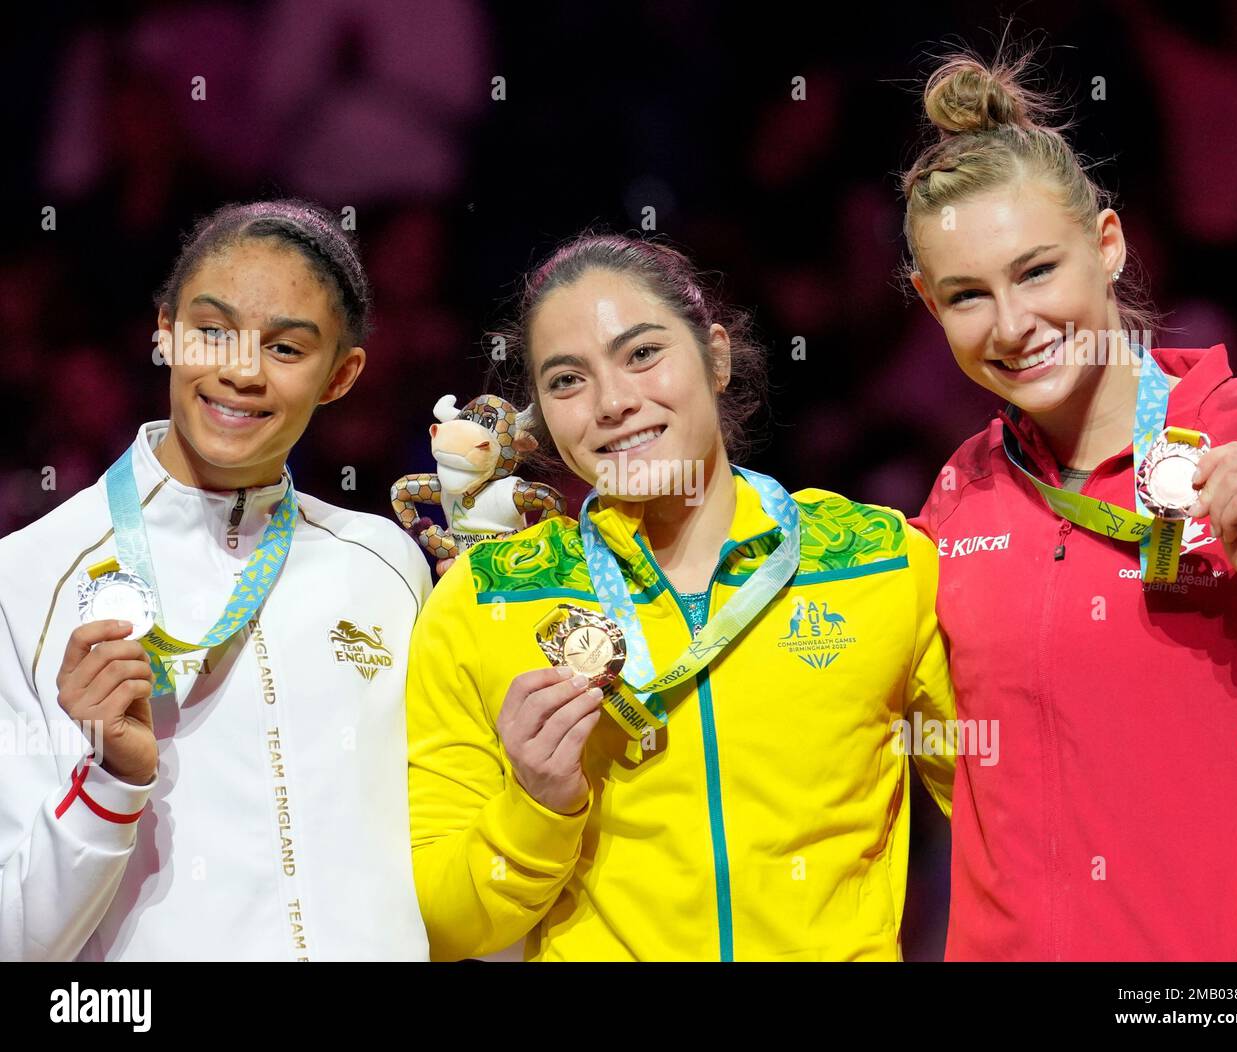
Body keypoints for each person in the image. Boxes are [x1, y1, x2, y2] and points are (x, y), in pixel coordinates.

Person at [405, 234, 956, 961]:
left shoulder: (879, 563)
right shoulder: (487, 599)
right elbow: (438, 921)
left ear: (717, 358)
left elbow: (1008, 824)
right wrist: (537, 804)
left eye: (642, 355)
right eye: (567, 381)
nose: (613, 403)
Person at [902, 51, 1237, 960]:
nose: (1012, 325)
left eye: (1037, 271)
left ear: (1109, 244)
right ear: (929, 305)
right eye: (967, 295)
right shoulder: (958, 499)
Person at [0, 199, 431, 960]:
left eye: (287, 349)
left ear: (342, 375)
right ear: (163, 332)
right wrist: (109, 784)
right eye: (211, 331)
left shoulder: (386, 566)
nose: (240, 370)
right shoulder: (27, 579)